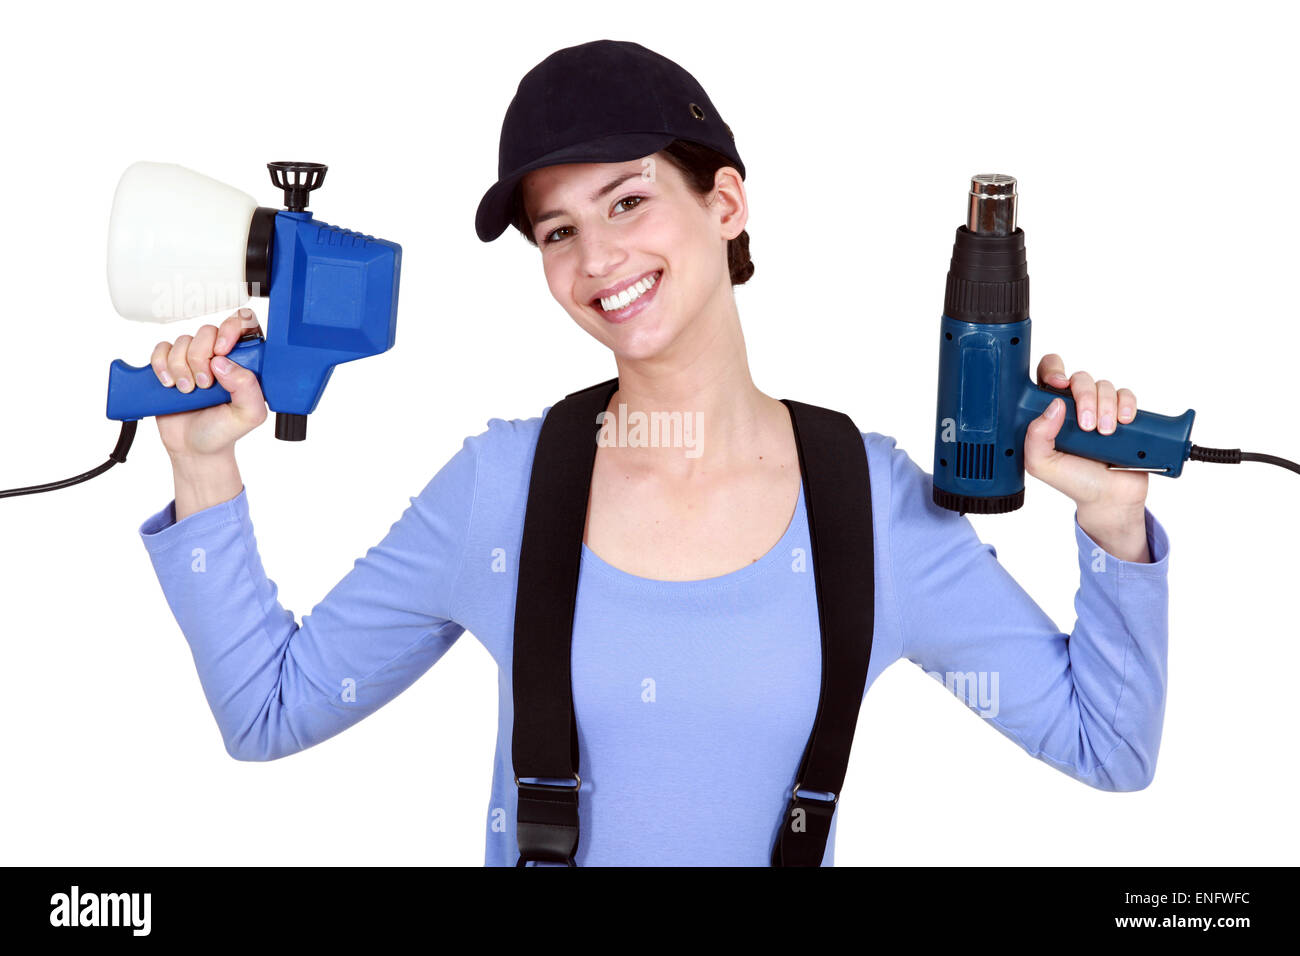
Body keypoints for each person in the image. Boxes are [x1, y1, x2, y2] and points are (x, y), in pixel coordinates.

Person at [138, 39, 1169, 866]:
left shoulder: (869, 504)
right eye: (556, 231)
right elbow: (268, 712)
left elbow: (1109, 746)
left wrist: (1113, 526)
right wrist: (202, 466)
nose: (597, 259)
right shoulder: (503, 488)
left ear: (725, 203)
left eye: (627, 201)